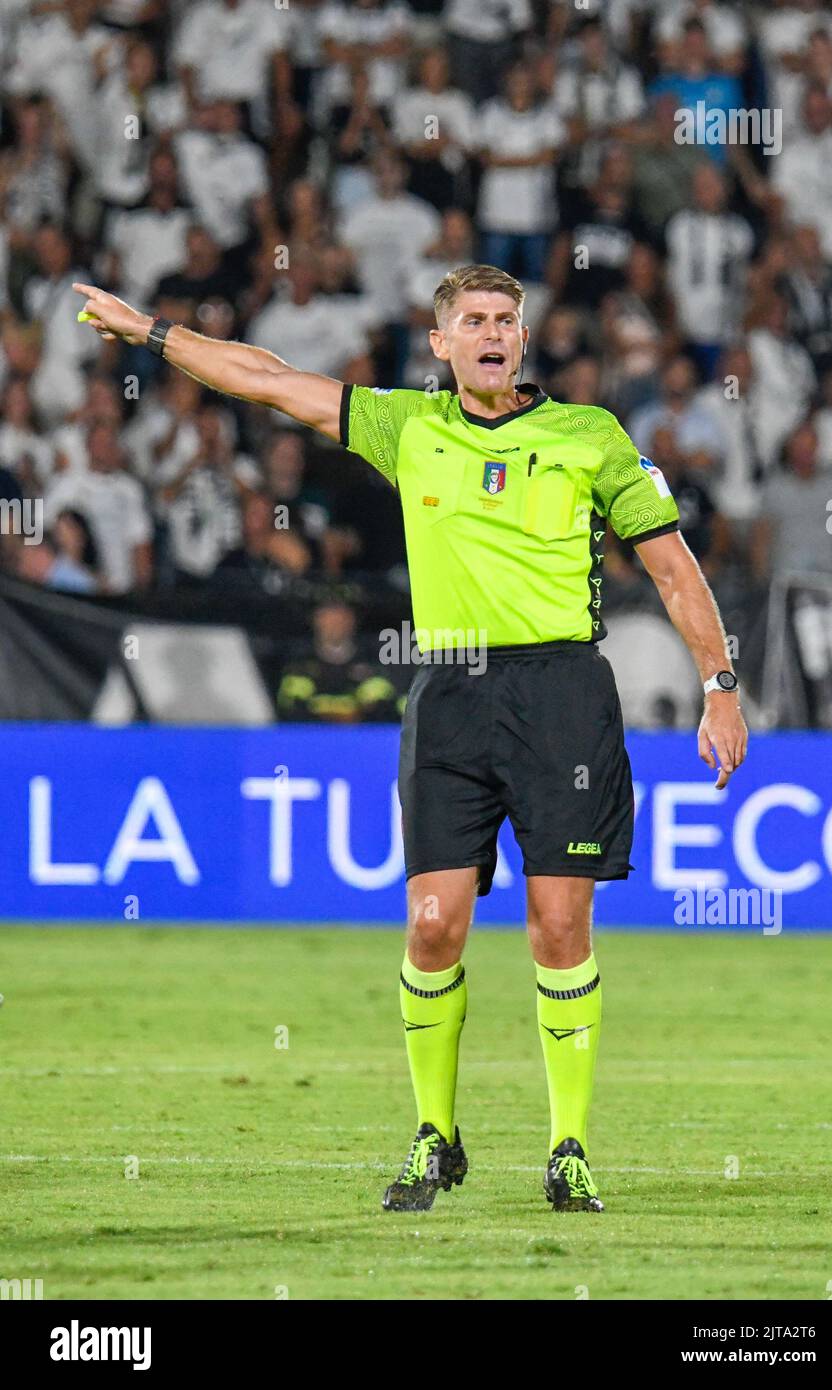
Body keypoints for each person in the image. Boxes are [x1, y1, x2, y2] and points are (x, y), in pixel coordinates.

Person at [73, 261, 748, 1215]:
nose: (492, 331)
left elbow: (674, 569)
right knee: (433, 927)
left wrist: (720, 687)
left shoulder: (590, 436)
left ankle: (568, 1147)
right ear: (440, 343)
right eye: (472, 318)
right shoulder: (407, 427)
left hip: (562, 694)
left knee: (560, 929)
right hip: (452, 694)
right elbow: (266, 377)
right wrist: (152, 335)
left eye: (506, 318)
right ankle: (436, 1131)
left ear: (522, 337)